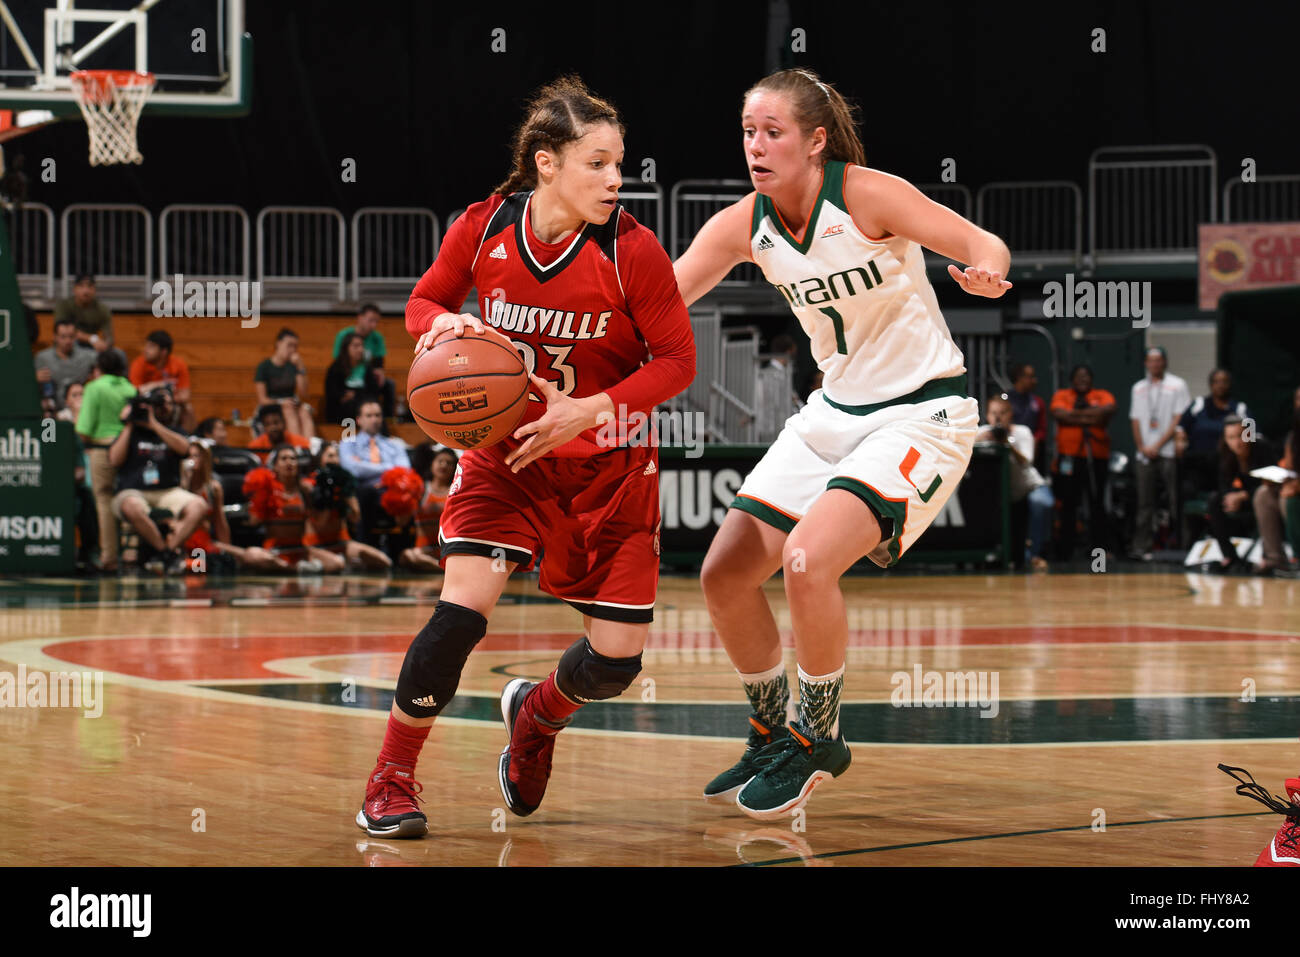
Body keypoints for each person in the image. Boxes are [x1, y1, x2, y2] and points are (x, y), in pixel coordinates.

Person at [355, 75, 695, 840]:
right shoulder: (483, 228)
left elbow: (678, 361)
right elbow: (423, 300)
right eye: (598, 163)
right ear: (547, 163)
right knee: (457, 615)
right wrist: (445, 325)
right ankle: (391, 778)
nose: (616, 179)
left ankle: (535, 716)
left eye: (620, 164)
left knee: (613, 664)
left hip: (608, 465)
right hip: (506, 459)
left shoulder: (632, 251)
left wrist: (590, 408)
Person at [672, 67, 1009, 819]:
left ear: (815, 139)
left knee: (806, 560)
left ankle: (818, 735)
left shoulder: (865, 194)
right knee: (724, 574)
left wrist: (989, 269)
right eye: (748, 133)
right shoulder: (744, 223)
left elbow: (980, 239)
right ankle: (768, 730)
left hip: (923, 413)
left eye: (773, 132)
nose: (756, 147)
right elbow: (659, 302)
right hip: (832, 411)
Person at [109, 389, 211, 574]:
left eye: (168, 404)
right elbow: (114, 460)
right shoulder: (132, 431)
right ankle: (166, 553)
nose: (163, 408)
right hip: (133, 490)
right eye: (158, 405)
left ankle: (167, 551)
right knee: (132, 506)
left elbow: (184, 449)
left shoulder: (174, 431)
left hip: (167, 491)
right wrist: (131, 423)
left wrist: (154, 424)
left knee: (200, 506)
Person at [180, 441, 289, 573]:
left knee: (255, 556)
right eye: (189, 456)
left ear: (206, 459)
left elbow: (220, 524)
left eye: (197, 456)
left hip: (205, 544)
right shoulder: (179, 488)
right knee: (196, 570)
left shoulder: (212, 489)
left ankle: (292, 568)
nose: (192, 460)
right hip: (182, 545)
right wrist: (185, 481)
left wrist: (226, 552)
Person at [75, 350, 137, 573]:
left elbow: (83, 428)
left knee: (104, 501)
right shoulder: (130, 387)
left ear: (99, 367)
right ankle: (132, 554)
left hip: (102, 449)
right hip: (129, 449)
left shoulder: (95, 387)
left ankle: (109, 557)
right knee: (129, 497)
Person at [977, 394, 1053, 570]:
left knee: (1041, 502)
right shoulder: (981, 432)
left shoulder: (1022, 432)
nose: (998, 417)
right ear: (987, 415)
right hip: (1002, 491)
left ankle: (1036, 554)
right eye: (994, 413)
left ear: (1011, 414)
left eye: (1003, 412)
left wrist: (1007, 445)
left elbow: (1027, 461)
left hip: (1029, 486)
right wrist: (982, 439)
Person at [1129, 346, 1190, 559]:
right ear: (1146, 363)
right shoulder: (1138, 388)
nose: (1155, 364)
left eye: (1158, 360)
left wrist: (1158, 444)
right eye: (1150, 360)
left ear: (1165, 362)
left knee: (1175, 500)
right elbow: (1135, 419)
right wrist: (1142, 447)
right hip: (1144, 453)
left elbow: (1179, 418)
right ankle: (1141, 547)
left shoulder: (1177, 385)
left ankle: (1181, 546)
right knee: (1145, 503)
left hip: (1168, 451)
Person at [1050, 364, 1116, 561]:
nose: (1083, 380)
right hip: (1069, 457)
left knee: (1097, 503)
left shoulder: (1102, 394)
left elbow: (1108, 411)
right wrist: (1091, 416)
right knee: (1068, 503)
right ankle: (1065, 552)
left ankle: (1098, 552)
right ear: (1072, 379)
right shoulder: (1062, 395)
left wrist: (1075, 417)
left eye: (1086, 376)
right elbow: (1060, 414)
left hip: (1096, 457)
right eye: (1079, 376)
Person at [250, 445, 344, 573]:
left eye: (293, 459)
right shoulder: (267, 489)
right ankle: (296, 569)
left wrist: (329, 498)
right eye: (284, 459)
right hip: (275, 550)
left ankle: (293, 569)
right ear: (275, 466)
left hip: (300, 548)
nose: (289, 462)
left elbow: (319, 522)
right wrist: (260, 498)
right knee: (253, 555)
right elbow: (254, 522)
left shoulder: (305, 490)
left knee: (337, 563)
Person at [1205, 416, 1276, 574]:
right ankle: (1229, 556)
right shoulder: (1224, 453)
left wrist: (1244, 496)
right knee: (1214, 500)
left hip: (1262, 501)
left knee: (1263, 498)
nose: (1236, 442)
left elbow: (1271, 483)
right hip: (1239, 504)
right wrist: (1232, 497)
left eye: (1240, 435)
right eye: (1231, 437)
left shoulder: (1262, 449)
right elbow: (1223, 485)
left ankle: (1268, 557)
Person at [337, 398, 411, 546]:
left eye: (377, 415)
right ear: (359, 420)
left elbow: (404, 470)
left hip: (390, 489)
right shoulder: (348, 444)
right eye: (369, 416)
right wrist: (389, 467)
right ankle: (363, 545)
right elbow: (353, 470)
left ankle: (404, 548)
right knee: (365, 491)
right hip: (362, 490)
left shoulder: (394, 444)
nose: (374, 419)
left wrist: (368, 468)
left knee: (410, 491)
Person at [399, 446, 458, 572]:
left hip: (446, 550)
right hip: (422, 551)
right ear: (432, 464)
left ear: (455, 468)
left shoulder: (456, 491)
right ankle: (443, 570)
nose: (444, 465)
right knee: (407, 555)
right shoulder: (420, 489)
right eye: (440, 461)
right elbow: (402, 522)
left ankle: (442, 568)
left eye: (449, 463)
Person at [332, 304, 396, 419]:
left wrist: (379, 372)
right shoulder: (343, 335)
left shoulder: (377, 337)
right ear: (360, 318)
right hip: (348, 375)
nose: (374, 325)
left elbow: (379, 362)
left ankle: (386, 418)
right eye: (371, 320)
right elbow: (339, 363)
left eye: (376, 321)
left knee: (387, 384)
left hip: (367, 374)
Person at [254, 327, 316, 439]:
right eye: (289, 345)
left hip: (291, 403)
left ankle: (309, 447)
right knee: (288, 410)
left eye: (295, 347)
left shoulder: (294, 366)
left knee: (304, 411)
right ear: (278, 344)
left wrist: (301, 367)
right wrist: (281, 402)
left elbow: (303, 394)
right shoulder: (264, 366)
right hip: (272, 404)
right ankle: (297, 448)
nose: (292, 350)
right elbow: (262, 399)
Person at [129, 330, 196, 433]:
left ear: (163, 352)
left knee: (188, 408)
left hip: (170, 403)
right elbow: (134, 391)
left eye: (151, 346)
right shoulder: (138, 363)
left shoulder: (178, 364)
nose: (145, 350)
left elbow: (185, 395)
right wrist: (159, 385)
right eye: (146, 345)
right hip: (147, 403)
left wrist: (167, 399)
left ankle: (186, 439)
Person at [33, 316, 96, 412]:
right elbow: (26, 384)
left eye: (71, 337)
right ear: (55, 337)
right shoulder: (42, 358)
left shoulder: (87, 356)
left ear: (75, 337)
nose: (67, 341)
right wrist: (34, 378)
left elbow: (106, 361)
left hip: (79, 409)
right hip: (51, 410)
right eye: (63, 337)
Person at [56, 275, 123, 364]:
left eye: (90, 286)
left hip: (93, 346)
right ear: (74, 289)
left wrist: (105, 345)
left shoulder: (102, 308)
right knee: (88, 354)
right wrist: (92, 338)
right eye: (81, 286)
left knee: (120, 354)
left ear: (94, 289)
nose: (86, 291)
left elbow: (109, 336)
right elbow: (62, 331)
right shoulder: (64, 306)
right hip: (72, 344)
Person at [324, 332, 383, 425]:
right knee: (354, 408)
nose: (360, 349)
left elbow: (373, 391)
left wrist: (355, 395)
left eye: (362, 346)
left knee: (373, 412)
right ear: (346, 348)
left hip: (363, 404)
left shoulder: (366, 367)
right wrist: (343, 395)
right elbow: (331, 393)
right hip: (342, 410)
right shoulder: (336, 368)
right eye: (356, 346)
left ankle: (381, 438)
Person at [1007, 363, 1048, 473]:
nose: (1035, 381)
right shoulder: (1005, 401)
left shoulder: (1038, 402)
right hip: (1012, 448)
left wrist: (1035, 443)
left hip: (1034, 449)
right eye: (1031, 377)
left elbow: (1041, 429)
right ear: (1019, 378)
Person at [247, 403, 311, 464]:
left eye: (276, 422)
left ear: (284, 422)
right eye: (268, 424)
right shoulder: (255, 447)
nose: (273, 427)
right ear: (264, 427)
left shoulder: (300, 443)